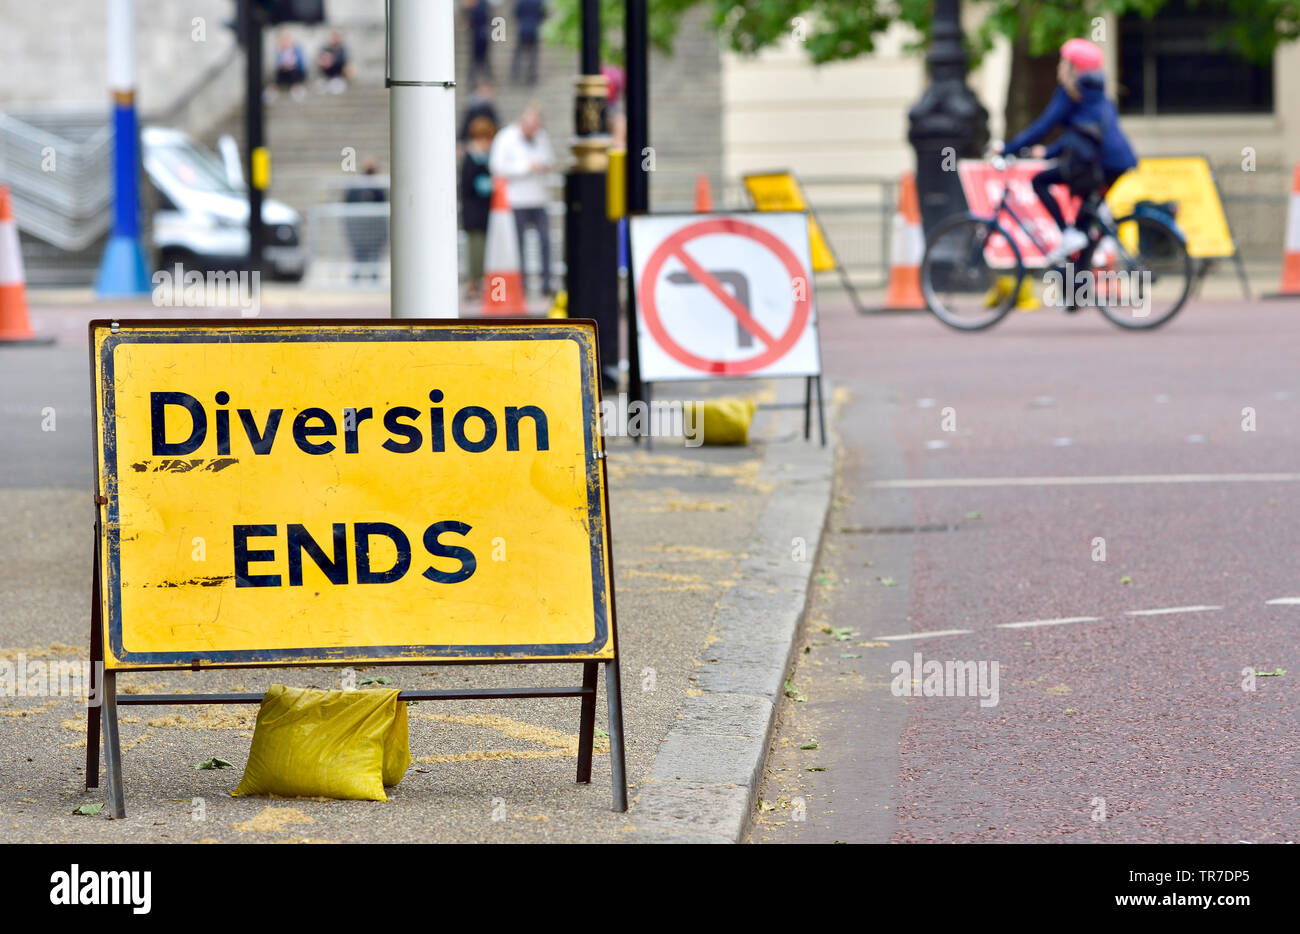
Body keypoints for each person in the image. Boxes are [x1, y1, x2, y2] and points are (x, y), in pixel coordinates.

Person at [996, 38, 1137, 264]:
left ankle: (1068, 235)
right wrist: (1050, 152)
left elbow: (1044, 126)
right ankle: (1074, 293)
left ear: (1074, 68)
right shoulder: (1097, 94)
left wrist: (1008, 148)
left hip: (1096, 168)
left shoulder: (1071, 94)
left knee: (1040, 182)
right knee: (1085, 229)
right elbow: (1080, 134)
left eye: (1063, 63)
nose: (1058, 67)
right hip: (1115, 164)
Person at [489, 103, 554, 295]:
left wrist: (541, 165)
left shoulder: (541, 137)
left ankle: (546, 282)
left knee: (545, 240)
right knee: (518, 245)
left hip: (538, 197)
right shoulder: (505, 138)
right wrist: (526, 167)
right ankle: (521, 285)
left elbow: (549, 159)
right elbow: (497, 167)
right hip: (516, 199)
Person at [461, 116, 497, 301]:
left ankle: (481, 284)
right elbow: (469, 185)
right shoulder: (471, 158)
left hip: (486, 213)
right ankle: (472, 285)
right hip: (474, 213)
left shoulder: (488, 157)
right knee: (475, 251)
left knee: (484, 252)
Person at [345, 157, 387, 283]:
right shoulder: (358, 185)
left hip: (373, 230)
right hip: (360, 230)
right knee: (359, 256)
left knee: (373, 257)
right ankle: (357, 277)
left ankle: (373, 277)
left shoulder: (377, 187)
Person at [512, 0, 547, 85]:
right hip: (534, 30)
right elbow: (543, 15)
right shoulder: (539, 2)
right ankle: (531, 75)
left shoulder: (521, 2)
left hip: (523, 29)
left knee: (519, 53)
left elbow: (516, 13)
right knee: (533, 54)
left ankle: (515, 72)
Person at [268, 31, 307, 102]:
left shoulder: (297, 50)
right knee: (278, 73)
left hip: (295, 71)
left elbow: (300, 63)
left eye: (287, 39)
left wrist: (292, 66)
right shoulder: (279, 51)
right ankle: (273, 90)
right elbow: (278, 63)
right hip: (284, 72)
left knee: (294, 72)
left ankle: (296, 89)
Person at [465, 0, 493, 85]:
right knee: (482, 61)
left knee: (477, 61)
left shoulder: (478, 7)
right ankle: (484, 80)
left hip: (478, 37)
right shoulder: (484, 5)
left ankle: (476, 80)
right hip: (482, 36)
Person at [316, 29, 351, 94]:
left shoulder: (342, 50)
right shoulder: (325, 49)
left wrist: (332, 60)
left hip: (338, 77)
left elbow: (343, 62)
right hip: (326, 76)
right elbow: (320, 61)